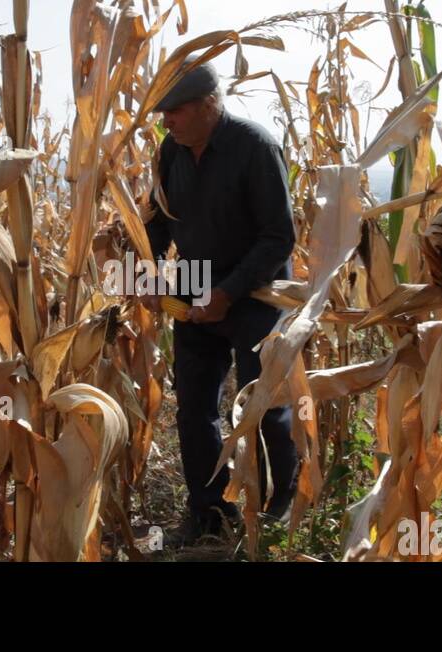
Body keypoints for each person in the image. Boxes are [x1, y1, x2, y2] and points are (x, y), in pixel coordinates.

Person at [140, 54, 299, 546]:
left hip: (253, 292)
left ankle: (274, 513)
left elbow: (279, 237)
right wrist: (144, 271)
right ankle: (209, 514)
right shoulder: (171, 151)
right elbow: (160, 220)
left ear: (209, 103)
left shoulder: (255, 147)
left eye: (177, 110)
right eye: (164, 112)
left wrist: (228, 293)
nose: (167, 120)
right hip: (193, 289)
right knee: (194, 409)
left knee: (264, 407)